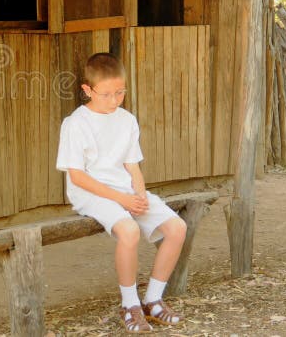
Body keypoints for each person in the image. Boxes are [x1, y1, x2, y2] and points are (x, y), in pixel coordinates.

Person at [55, 52, 187, 333]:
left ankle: (153, 299)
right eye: (106, 94)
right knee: (129, 231)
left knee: (177, 228)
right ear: (87, 90)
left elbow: (133, 166)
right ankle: (130, 305)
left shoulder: (127, 120)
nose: (114, 100)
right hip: (91, 192)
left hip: (125, 189)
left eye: (120, 93)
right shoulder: (76, 124)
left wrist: (138, 196)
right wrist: (122, 200)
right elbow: (77, 175)